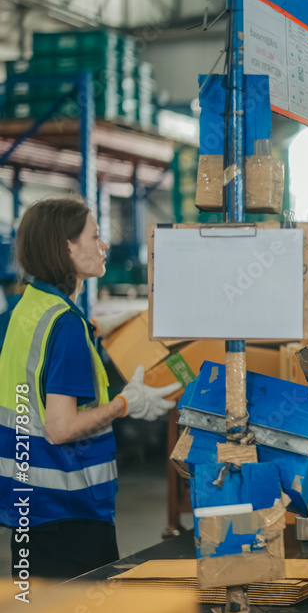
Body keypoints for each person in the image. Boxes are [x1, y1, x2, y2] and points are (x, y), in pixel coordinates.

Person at [0, 197, 179, 579]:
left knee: (35, 607)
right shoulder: (65, 326)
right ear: (67, 246)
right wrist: (124, 403)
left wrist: (98, 326)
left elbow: (39, 368)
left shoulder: (26, 310)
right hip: (70, 514)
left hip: (28, 509)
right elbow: (60, 428)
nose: (103, 246)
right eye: (95, 236)